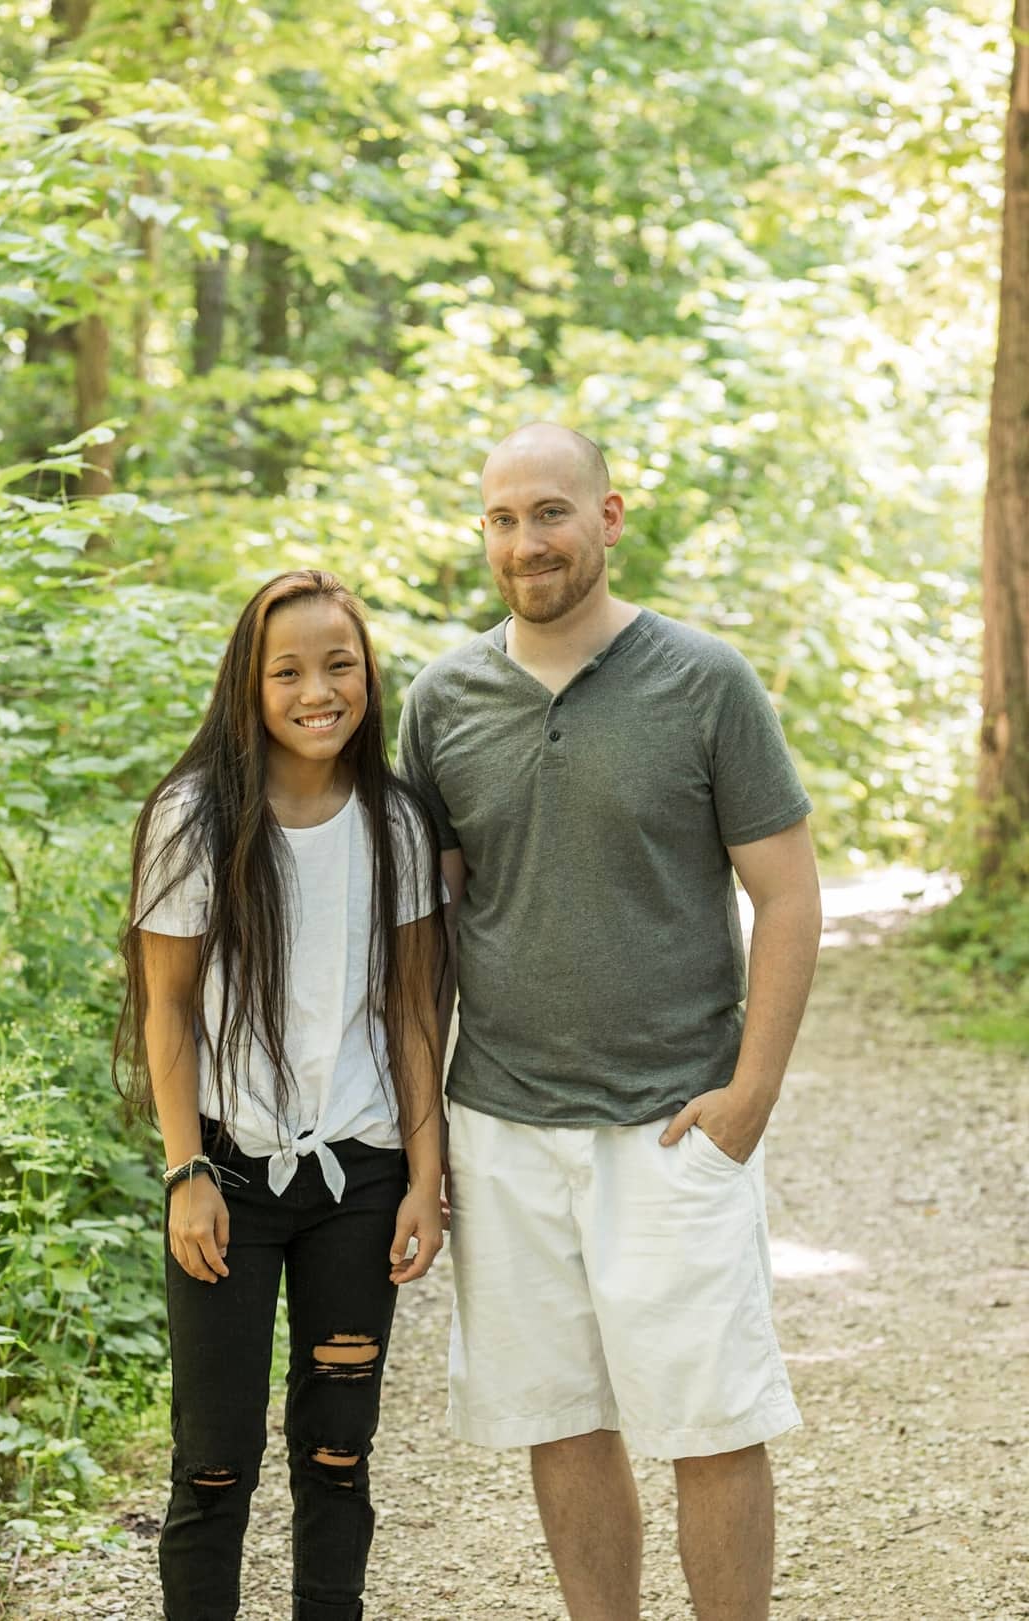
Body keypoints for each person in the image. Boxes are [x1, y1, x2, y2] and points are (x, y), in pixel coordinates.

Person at [397, 424, 823, 1621]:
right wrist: (427, 1143)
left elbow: (786, 893)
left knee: (713, 1421)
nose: (524, 542)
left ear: (609, 516)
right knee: (563, 1418)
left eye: (549, 513)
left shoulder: (705, 679)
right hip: (503, 1123)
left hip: (674, 1120)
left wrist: (753, 1095)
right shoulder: (442, 700)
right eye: (501, 519)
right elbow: (418, 943)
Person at [114, 569, 445, 1621]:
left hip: (361, 1175)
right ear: (248, 686)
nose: (318, 689)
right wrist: (186, 1173)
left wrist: (426, 1181)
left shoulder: (396, 823)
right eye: (288, 669)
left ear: (367, 676)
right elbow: (168, 1010)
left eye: (339, 664)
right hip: (229, 1176)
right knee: (213, 1464)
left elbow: (410, 1012)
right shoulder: (195, 817)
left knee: (339, 1454)